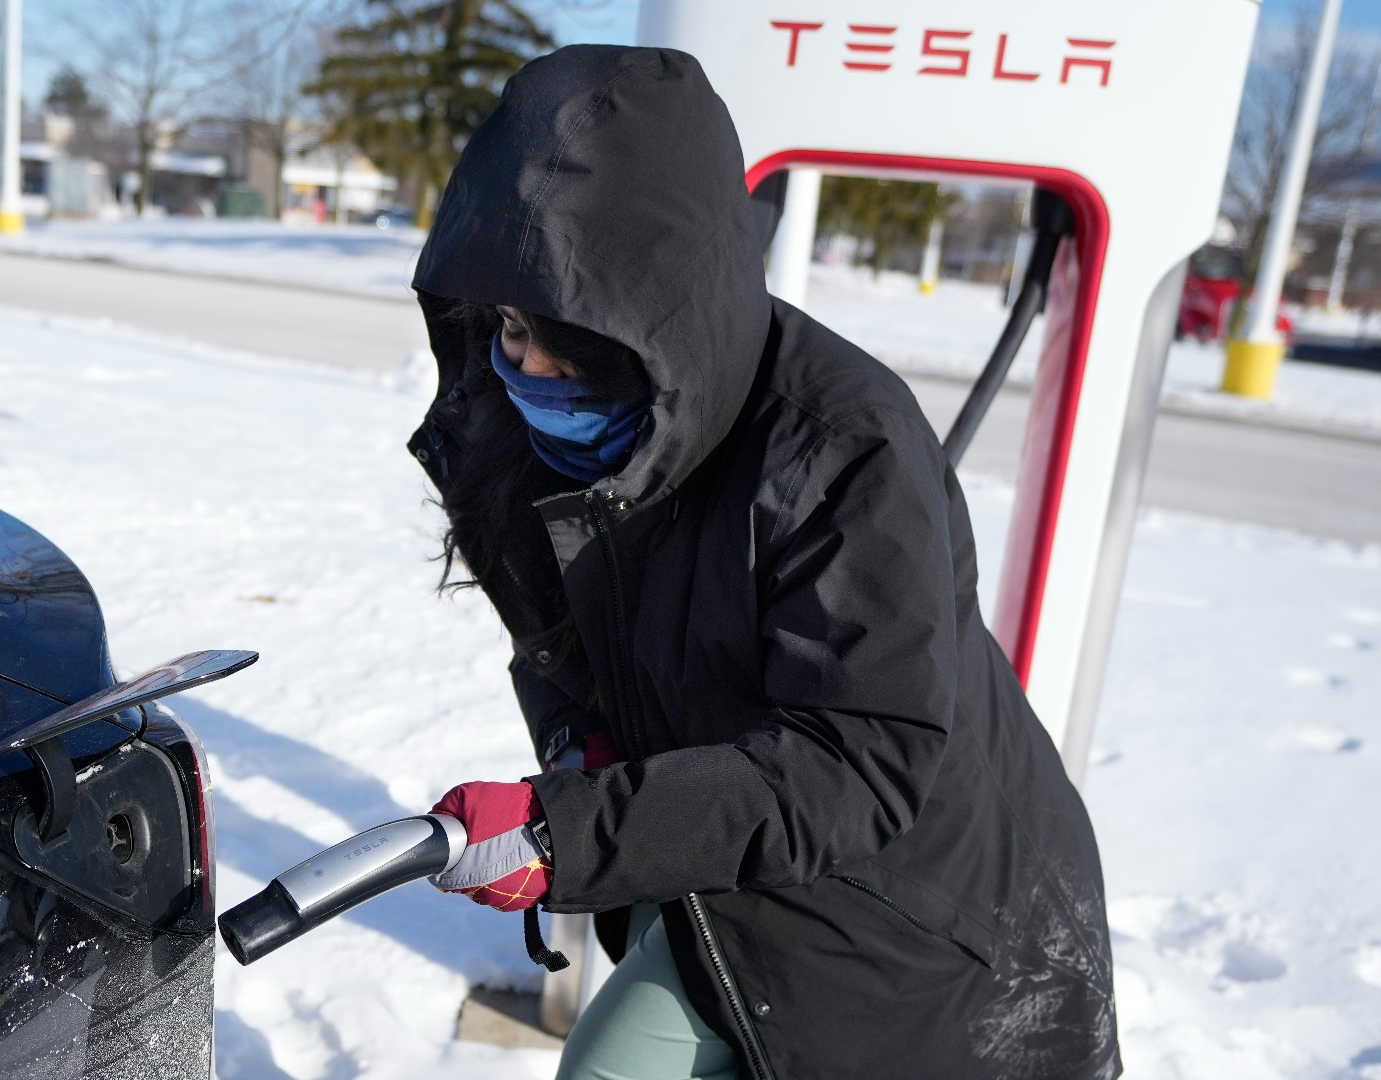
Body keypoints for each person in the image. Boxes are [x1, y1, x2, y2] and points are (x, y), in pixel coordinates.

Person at [407, 45, 1120, 1080]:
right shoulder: (543, 436)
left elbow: (860, 759)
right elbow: (560, 639)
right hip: (733, 867)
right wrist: (578, 744)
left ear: (658, 315)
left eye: (576, 342)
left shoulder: (844, 449)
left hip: (917, 921)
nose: (531, 369)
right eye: (514, 328)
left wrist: (571, 836)